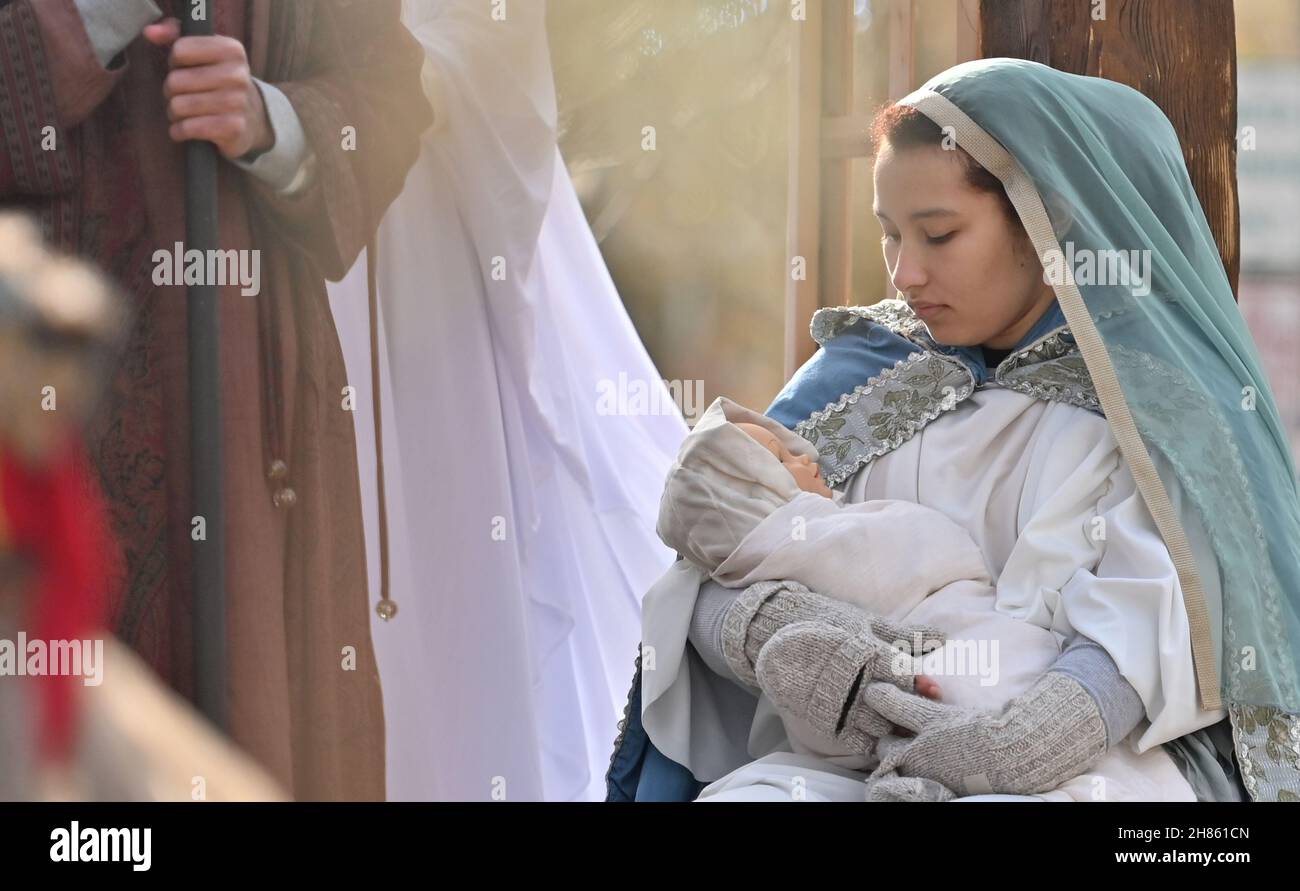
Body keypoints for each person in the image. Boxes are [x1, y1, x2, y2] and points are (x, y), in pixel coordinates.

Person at [612, 58, 1300, 802]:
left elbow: (1167, 626)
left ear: (1047, 219)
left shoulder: (1154, 409)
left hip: (1085, 762)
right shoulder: (866, 377)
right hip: (844, 759)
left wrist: (1016, 747)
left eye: (938, 235)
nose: (904, 273)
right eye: (890, 235)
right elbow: (710, 561)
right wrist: (772, 630)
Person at [0, 0, 432, 799]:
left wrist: (274, 121)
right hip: (39, 402)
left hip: (251, 417)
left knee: (252, 718)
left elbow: (388, 95)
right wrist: (90, 20)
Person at [326, 0, 685, 801]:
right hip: (298, 228)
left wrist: (379, 78)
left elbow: (498, 50)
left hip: (425, 242)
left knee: (442, 534)